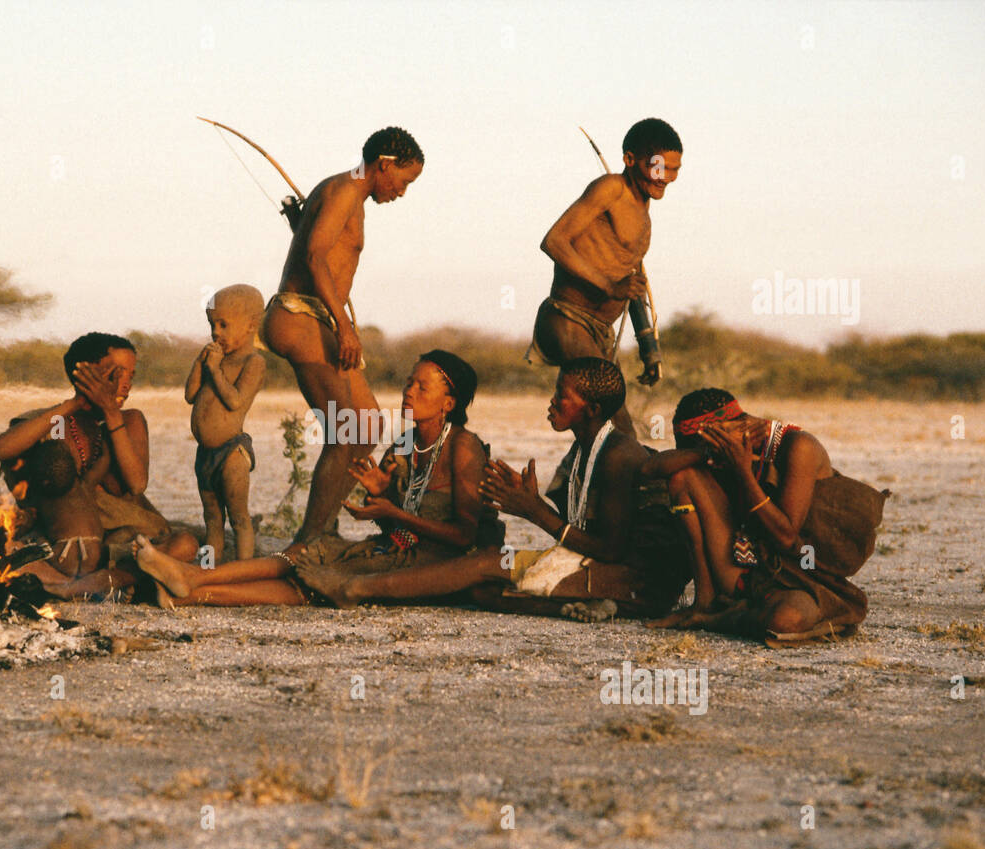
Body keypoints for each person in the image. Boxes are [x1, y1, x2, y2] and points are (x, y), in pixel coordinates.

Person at [297, 358, 689, 619]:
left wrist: (533, 510)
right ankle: (584, 602)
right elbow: (580, 530)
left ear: (591, 409)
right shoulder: (586, 447)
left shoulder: (619, 453)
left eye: (562, 397)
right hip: (603, 566)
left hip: (637, 577)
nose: (551, 403)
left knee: (485, 564)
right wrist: (530, 501)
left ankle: (355, 589)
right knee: (482, 591)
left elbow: (610, 549)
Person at [130, 351, 499, 607]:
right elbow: (395, 525)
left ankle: (192, 590)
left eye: (422, 387)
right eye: (408, 382)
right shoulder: (405, 444)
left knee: (311, 584)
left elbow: (464, 537)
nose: (408, 391)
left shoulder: (463, 447)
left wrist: (393, 513)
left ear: (449, 403)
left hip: (435, 566)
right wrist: (382, 502)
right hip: (397, 549)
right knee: (301, 554)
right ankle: (193, 579)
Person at [261, 126, 425, 547]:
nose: (403, 193)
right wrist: (346, 325)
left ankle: (323, 528)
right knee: (347, 431)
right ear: (384, 165)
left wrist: (301, 223)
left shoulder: (343, 191)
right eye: (403, 181)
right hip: (300, 317)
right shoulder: (345, 192)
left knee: (366, 425)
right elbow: (315, 256)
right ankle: (308, 543)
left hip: (316, 319)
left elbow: (315, 246)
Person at [644, 388, 888, 646]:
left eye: (706, 444)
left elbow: (786, 536)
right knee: (682, 475)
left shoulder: (798, 446)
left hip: (802, 577)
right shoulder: (718, 453)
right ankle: (704, 603)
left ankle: (716, 619)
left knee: (785, 621)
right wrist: (707, 452)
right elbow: (650, 468)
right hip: (744, 572)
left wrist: (742, 472)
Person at [0, 332, 197, 599]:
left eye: (130, 375)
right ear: (85, 375)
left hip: (122, 541)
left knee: (185, 545)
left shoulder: (128, 421)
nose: (125, 384)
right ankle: (90, 583)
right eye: (115, 373)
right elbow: (1, 449)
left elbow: (136, 484)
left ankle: (82, 586)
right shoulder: (53, 421)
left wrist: (111, 414)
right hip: (60, 541)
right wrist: (75, 403)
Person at [529, 118, 682, 435]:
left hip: (600, 332)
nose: (666, 177)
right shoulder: (611, 188)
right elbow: (554, 241)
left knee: (596, 429)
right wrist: (609, 286)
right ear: (630, 160)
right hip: (567, 318)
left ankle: (565, 484)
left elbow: (634, 283)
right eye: (658, 168)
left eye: (674, 169)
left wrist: (649, 348)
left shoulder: (644, 214)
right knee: (617, 425)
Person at [185, 284, 268, 563]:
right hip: (205, 453)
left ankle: (243, 571)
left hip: (232, 452)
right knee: (212, 518)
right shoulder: (213, 360)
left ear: (251, 326)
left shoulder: (253, 362)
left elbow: (235, 401)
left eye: (223, 324)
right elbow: (190, 394)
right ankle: (209, 569)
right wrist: (200, 362)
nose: (215, 332)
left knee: (239, 517)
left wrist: (214, 370)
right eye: (212, 325)